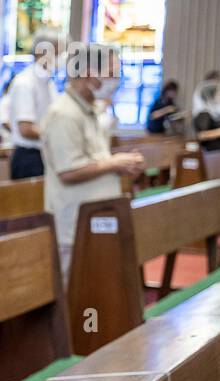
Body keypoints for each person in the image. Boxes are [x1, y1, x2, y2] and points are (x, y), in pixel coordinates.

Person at [41, 42, 144, 277]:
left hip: (96, 218)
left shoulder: (91, 111)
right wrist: (114, 163)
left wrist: (121, 166)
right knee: (72, 293)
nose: (115, 81)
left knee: (94, 289)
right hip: (72, 222)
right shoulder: (64, 114)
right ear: (88, 74)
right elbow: (68, 172)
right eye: (111, 74)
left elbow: (95, 160)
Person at [7, 29, 63, 180]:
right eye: (57, 53)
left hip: (45, 153)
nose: (61, 58)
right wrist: (61, 136)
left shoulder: (48, 83)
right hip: (29, 157)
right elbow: (26, 129)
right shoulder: (25, 83)